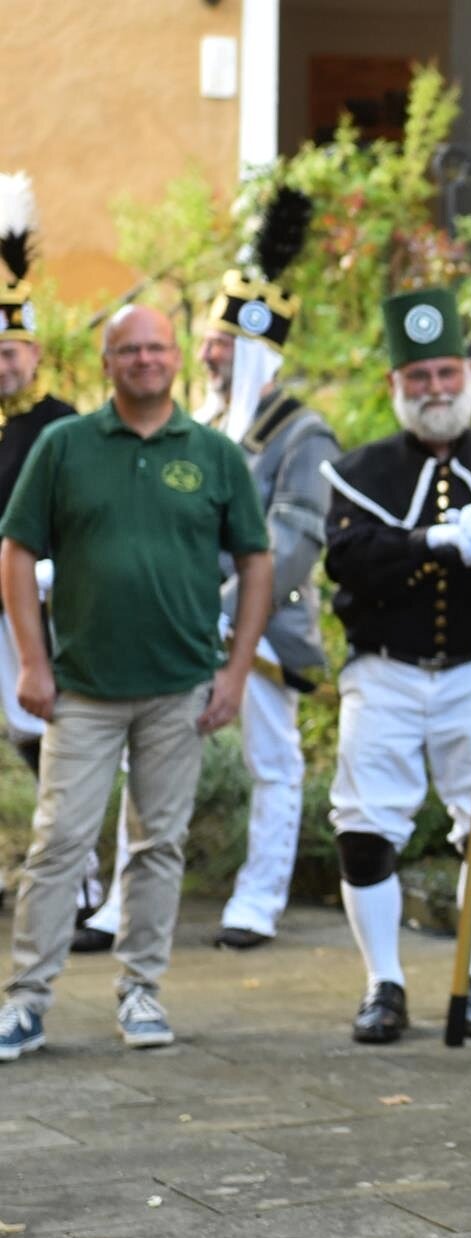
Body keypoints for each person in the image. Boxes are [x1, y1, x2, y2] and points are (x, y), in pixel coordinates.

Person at [0, 305, 271, 1061]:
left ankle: (141, 989)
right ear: (108, 362)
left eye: (156, 347)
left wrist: (236, 672)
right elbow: (16, 552)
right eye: (129, 349)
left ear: (176, 358)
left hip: (180, 687)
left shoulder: (215, 455)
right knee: (60, 844)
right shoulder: (64, 447)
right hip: (82, 687)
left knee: (158, 845)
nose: (145, 359)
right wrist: (31, 659)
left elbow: (256, 562)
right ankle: (26, 1000)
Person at [78, 190, 337, 953]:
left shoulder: (303, 433)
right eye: (209, 341)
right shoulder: (195, 428)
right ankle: (121, 906)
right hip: (175, 627)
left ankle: (257, 900)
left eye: (221, 345)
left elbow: (294, 539)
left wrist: (225, 608)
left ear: (255, 348)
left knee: (272, 762)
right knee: (147, 763)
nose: (205, 355)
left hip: (261, 632)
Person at [322, 286, 471, 1045]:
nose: (435, 391)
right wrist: (432, 543)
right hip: (385, 673)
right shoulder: (361, 470)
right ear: (396, 387)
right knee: (365, 829)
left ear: (468, 377)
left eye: (447, 374)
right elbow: (348, 561)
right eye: (418, 378)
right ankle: (383, 984)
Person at [0, 171, 104, 920]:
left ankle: (80, 879)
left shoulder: (65, 425)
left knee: (48, 739)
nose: (3, 362)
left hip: (36, 607)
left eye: (13, 351)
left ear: (35, 353)